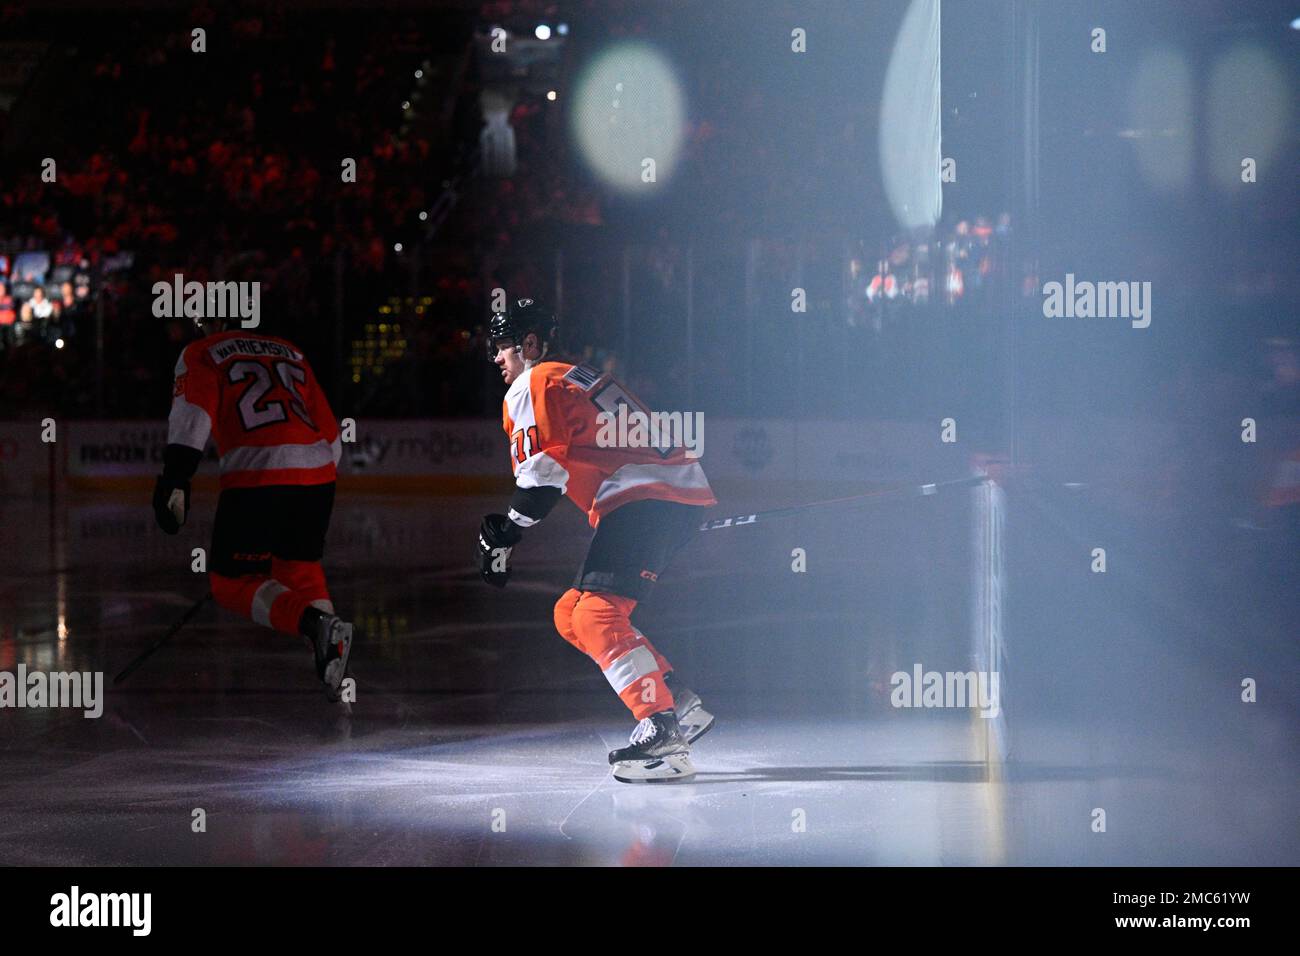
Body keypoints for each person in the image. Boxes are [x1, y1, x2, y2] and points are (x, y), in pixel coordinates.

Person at [477, 297, 716, 782]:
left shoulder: (534, 381)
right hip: (662, 494)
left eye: (503, 346)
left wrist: (505, 532)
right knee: (571, 613)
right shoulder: (575, 376)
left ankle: (662, 729)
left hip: (646, 498)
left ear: (528, 344)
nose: (497, 358)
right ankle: (678, 703)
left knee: (595, 613)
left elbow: (541, 476)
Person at [151, 311, 353, 700]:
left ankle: (316, 626)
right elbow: (332, 438)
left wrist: (176, 478)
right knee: (300, 566)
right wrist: (311, 482)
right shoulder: (289, 350)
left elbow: (193, 415)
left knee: (231, 584)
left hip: (258, 472)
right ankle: (332, 655)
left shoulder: (203, 351)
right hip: (317, 470)